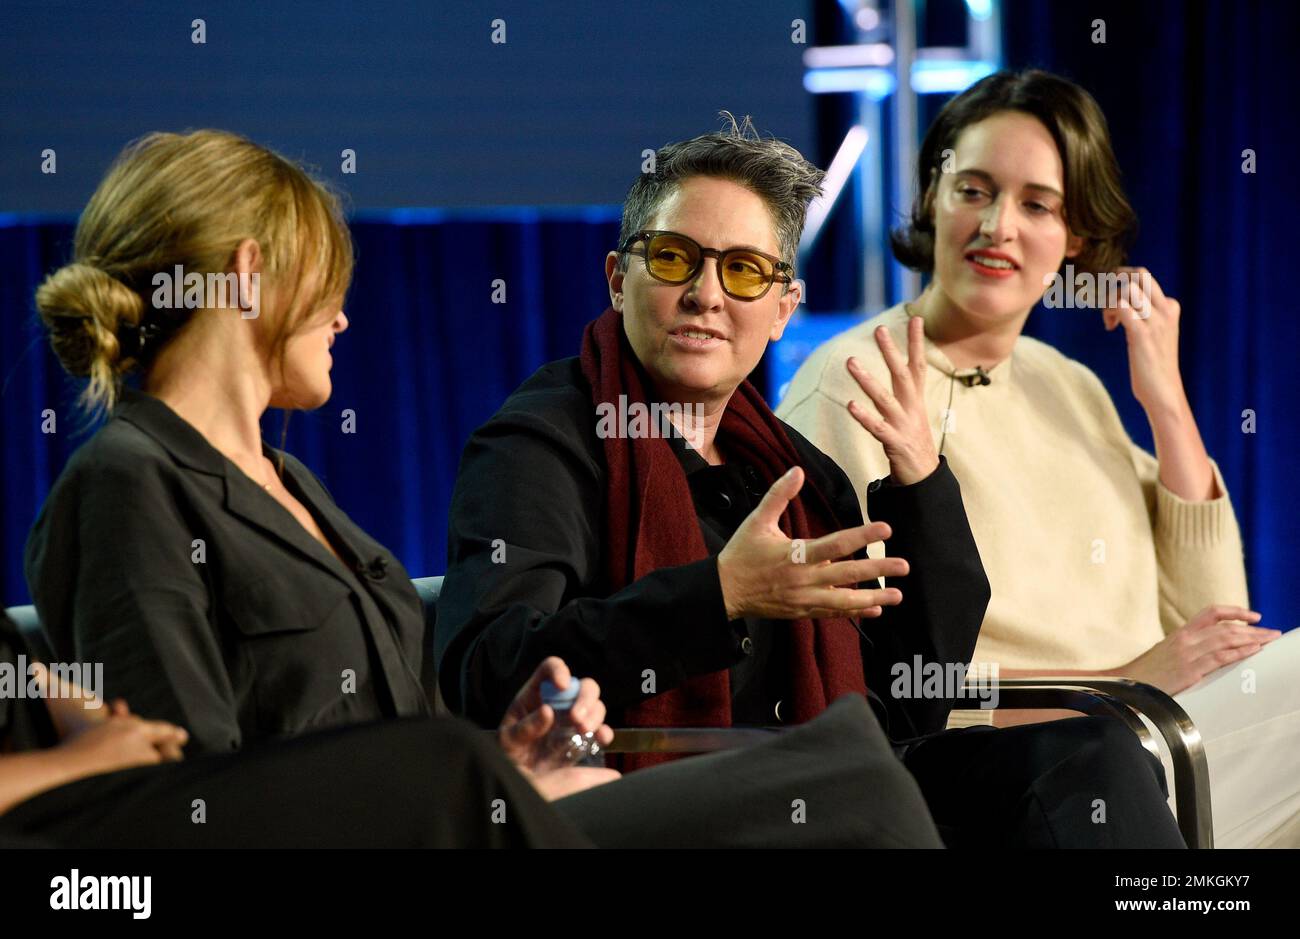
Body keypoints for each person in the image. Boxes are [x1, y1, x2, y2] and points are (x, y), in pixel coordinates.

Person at [19, 128, 942, 849]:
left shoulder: (290, 483)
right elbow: (193, 803)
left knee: (861, 763)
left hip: (470, 813)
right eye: (330, 282)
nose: (344, 315)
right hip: (428, 830)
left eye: (742, 272)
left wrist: (506, 760)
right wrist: (466, 771)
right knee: (846, 777)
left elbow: (409, 710)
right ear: (253, 277)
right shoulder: (129, 485)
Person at [434, 115, 1187, 848]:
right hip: (662, 792)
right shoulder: (541, 444)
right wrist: (720, 593)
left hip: (833, 782)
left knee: (1093, 756)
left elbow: (913, 690)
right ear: (616, 279)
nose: (705, 294)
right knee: (870, 788)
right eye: (671, 259)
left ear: (783, 310)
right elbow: (489, 668)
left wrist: (921, 481)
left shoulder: (784, 462)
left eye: (742, 271)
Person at [777, 69, 1300, 848]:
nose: (999, 226)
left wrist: (1167, 400)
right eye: (974, 190)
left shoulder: (1073, 387)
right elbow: (868, 685)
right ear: (930, 198)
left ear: (1077, 236)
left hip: (1162, 739)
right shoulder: (855, 381)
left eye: (1037, 204)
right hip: (1036, 766)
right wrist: (1124, 681)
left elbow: (1213, 618)